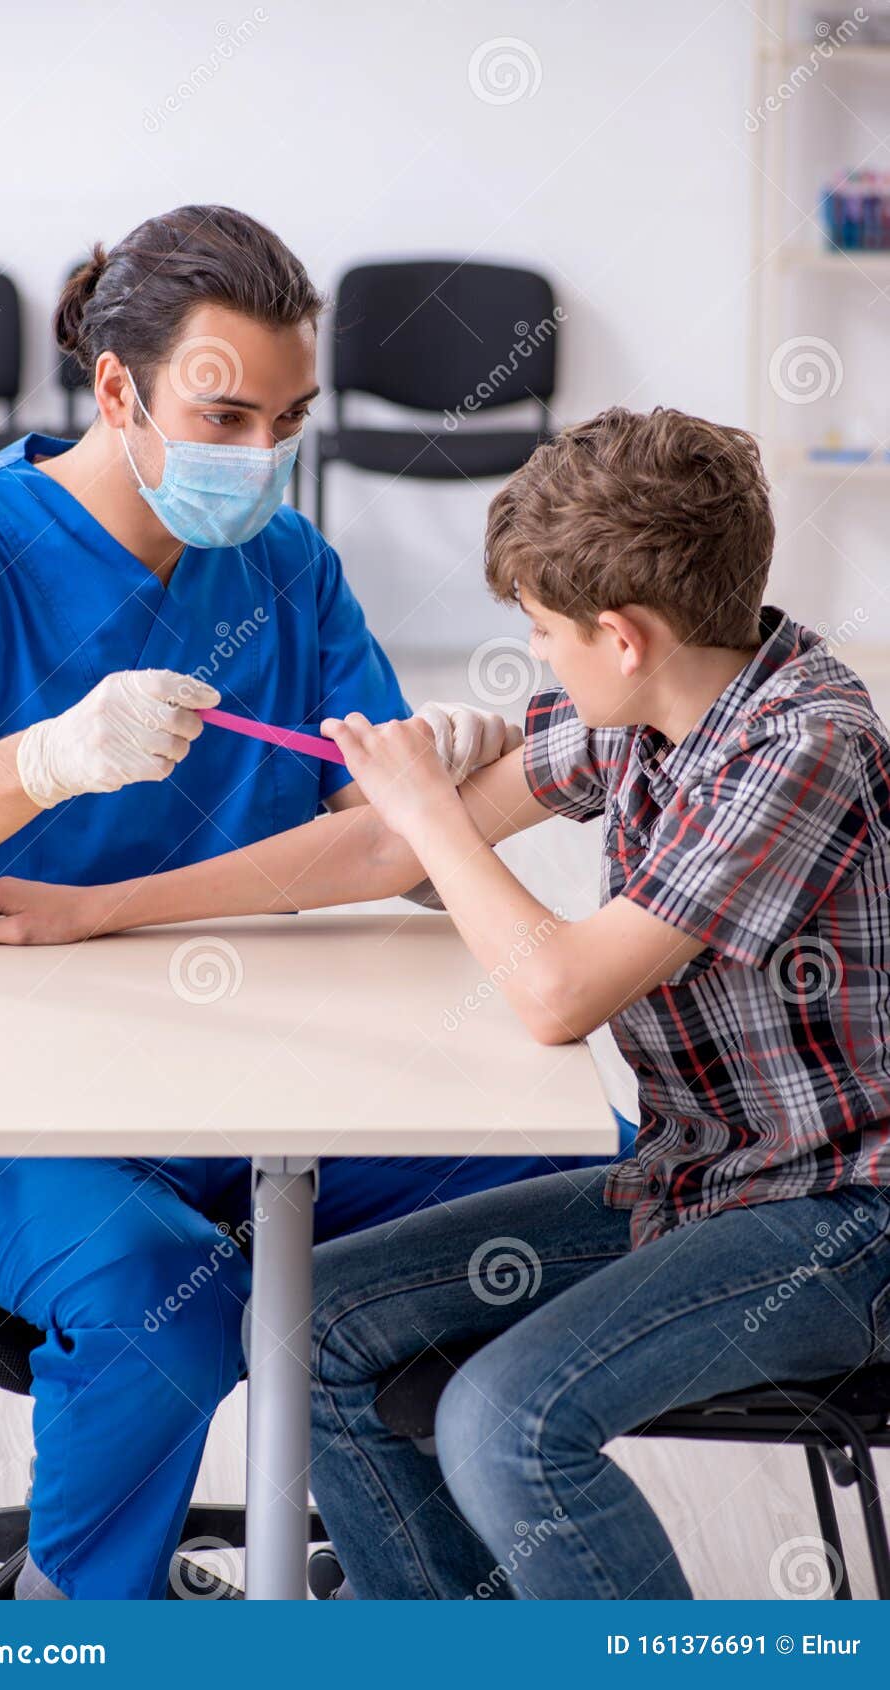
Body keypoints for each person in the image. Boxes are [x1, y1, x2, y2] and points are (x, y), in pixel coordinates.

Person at [0, 205, 559, 1600]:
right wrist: (36, 764)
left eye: (288, 418)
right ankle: (77, 1620)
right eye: (223, 413)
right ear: (118, 392)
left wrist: (450, 766)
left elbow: (368, 827)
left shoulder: (286, 568)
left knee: (589, 1183)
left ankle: (421, 1585)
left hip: (234, 1068)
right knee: (163, 1305)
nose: (258, 455)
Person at [287, 405, 890, 1599]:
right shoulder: (658, 706)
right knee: (315, 1325)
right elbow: (376, 854)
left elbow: (554, 990)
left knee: (506, 1425)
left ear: (620, 635)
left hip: (843, 1218)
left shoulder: (805, 747)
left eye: (543, 634)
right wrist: (84, 904)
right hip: (696, 1182)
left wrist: (429, 814)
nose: (536, 662)